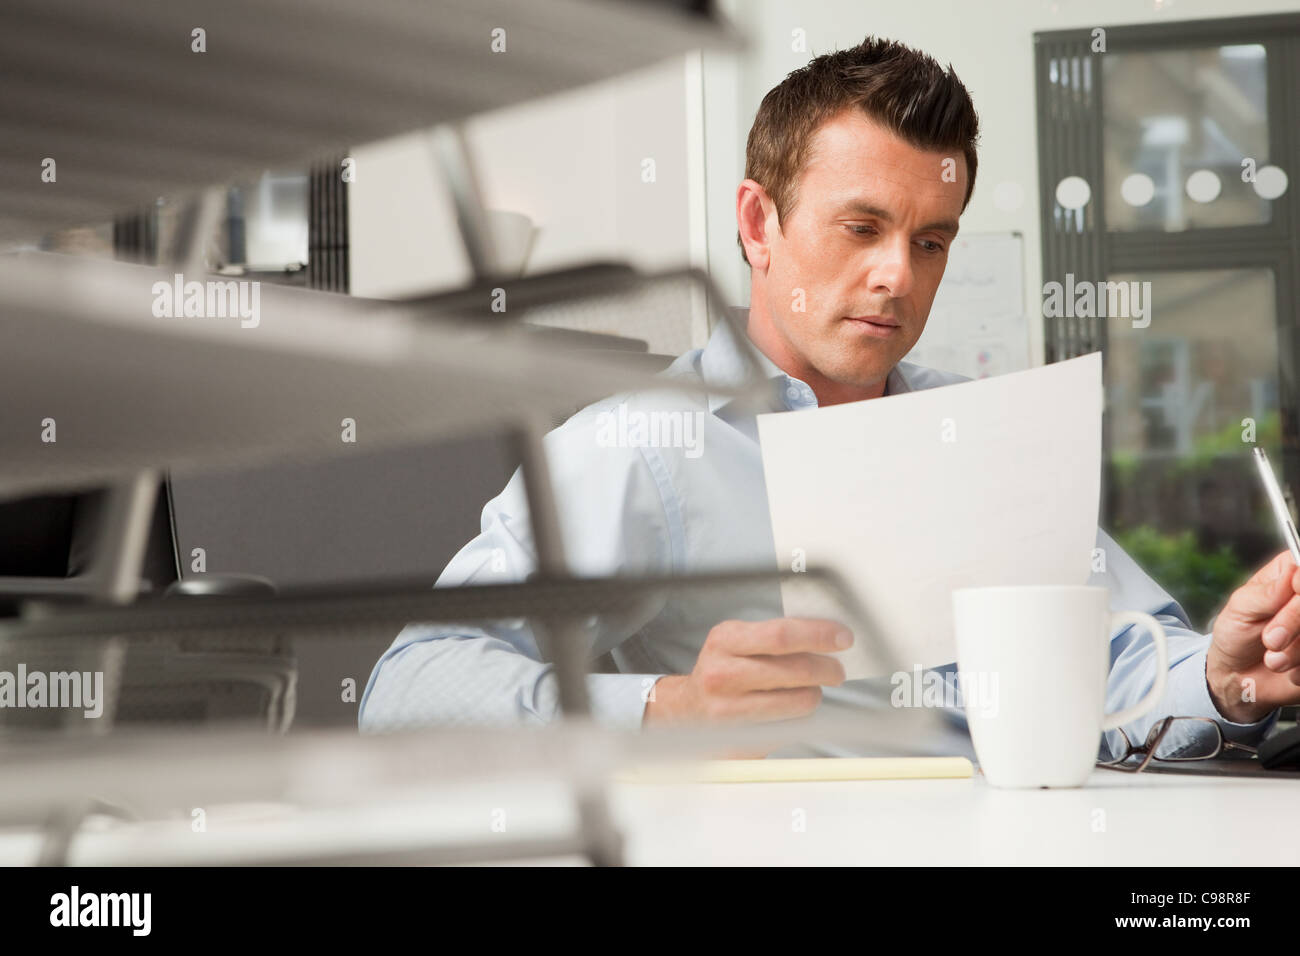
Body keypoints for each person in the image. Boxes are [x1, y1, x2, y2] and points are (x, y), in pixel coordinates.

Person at [360, 36, 1297, 759]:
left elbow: (1124, 668)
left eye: (931, 241)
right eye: (862, 227)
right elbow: (408, 692)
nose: (897, 274)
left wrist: (1224, 679)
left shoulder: (978, 437)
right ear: (758, 224)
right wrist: (667, 706)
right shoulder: (640, 448)